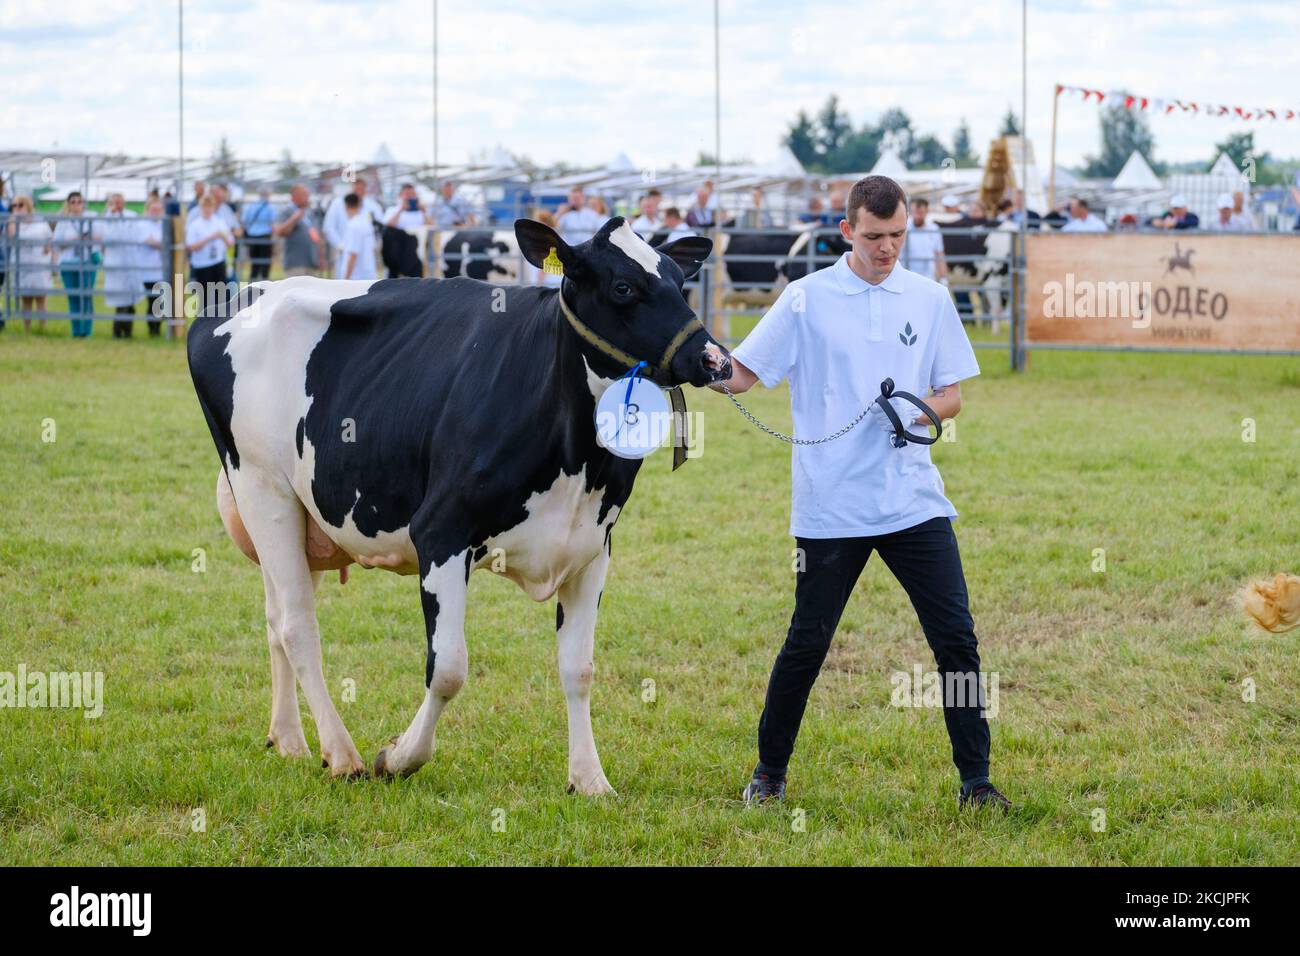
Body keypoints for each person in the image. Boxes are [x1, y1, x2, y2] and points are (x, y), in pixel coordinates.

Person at [709, 174, 1009, 813]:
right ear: (847, 231)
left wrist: (917, 410)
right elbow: (742, 374)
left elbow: (952, 393)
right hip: (830, 506)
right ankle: (769, 772)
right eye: (874, 237)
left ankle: (977, 784)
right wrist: (694, 362)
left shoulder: (929, 298)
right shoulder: (805, 298)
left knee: (956, 638)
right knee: (808, 642)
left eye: (898, 235)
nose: (887, 248)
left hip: (913, 500)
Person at [52, 191, 104, 338]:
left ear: (83, 203)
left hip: (87, 261)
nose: (76, 205)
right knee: (73, 297)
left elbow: (100, 237)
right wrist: (74, 239)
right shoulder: (63, 221)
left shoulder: (91, 218)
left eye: (79, 201)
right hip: (68, 263)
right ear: (68, 204)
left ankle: (87, 330)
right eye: (73, 202)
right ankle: (76, 331)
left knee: (86, 296)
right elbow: (56, 244)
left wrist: (88, 238)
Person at [6, 194, 55, 332]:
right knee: (26, 299)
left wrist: (48, 248)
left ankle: (43, 328)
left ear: (28, 206)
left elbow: (49, 238)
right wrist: (13, 219)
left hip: (39, 264)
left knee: (41, 298)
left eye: (20, 205)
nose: (17, 208)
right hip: (21, 264)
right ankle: (27, 329)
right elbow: (13, 236)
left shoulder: (40, 222)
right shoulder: (12, 222)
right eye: (14, 206)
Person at [102, 192, 143, 337]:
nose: (118, 205)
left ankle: (128, 331)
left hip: (131, 262)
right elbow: (108, 238)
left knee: (130, 301)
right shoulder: (107, 219)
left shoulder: (131, 215)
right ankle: (118, 332)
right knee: (120, 302)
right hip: (116, 264)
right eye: (115, 202)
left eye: (120, 202)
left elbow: (137, 236)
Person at [186, 193, 234, 314]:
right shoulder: (195, 225)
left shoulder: (219, 222)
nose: (207, 209)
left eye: (210, 206)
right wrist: (210, 237)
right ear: (201, 208)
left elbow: (230, 242)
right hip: (202, 265)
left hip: (218, 262)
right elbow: (192, 246)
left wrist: (223, 237)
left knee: (222, 297)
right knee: (205, 298)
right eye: (205, 206)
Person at [274, 184, 324, 277]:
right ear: (295, 196)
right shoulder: (286, 211)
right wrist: (293, 219)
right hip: (295, 265)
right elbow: (279, 232)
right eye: (305, 195)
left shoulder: (309, 212)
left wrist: (320, 257)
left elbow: (316, 237)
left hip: (312, 262)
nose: (307, 198)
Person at [136, 194, 167, 336]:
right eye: (153, 209)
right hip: (148, 270)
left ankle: (157, 327)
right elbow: (152, 242)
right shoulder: (142, 225)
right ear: (147, 210)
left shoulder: (162, 224)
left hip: (162, 270)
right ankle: (153, 329)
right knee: (153, 300)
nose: (156, 212)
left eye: (158, 209)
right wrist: (166, 244)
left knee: (162, 300)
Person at [901, 196, 947, 281]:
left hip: (928, 276)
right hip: (907, 276)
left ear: (926, 211)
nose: (917, 216)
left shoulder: (934, 229)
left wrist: (943, 277)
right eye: (915, 212)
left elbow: (939, 253)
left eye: (921, 212)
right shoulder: (903, 227)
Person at [335, 193, 378, 281]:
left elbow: (353, 254)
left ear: (346, 206)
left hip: (355, 278)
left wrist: (346, 279)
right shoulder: (367, 223)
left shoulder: (353, 226)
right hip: (369, 275)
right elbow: (373, 249)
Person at [241, 186, 276, 281]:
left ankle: (252, 287)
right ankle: (265, 289)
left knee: (254, 265)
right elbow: (273, 225)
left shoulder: (251, 206)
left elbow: (245, 223)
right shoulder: (270, 207)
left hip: (252, 238)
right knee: (265, 266)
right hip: (265, 237)